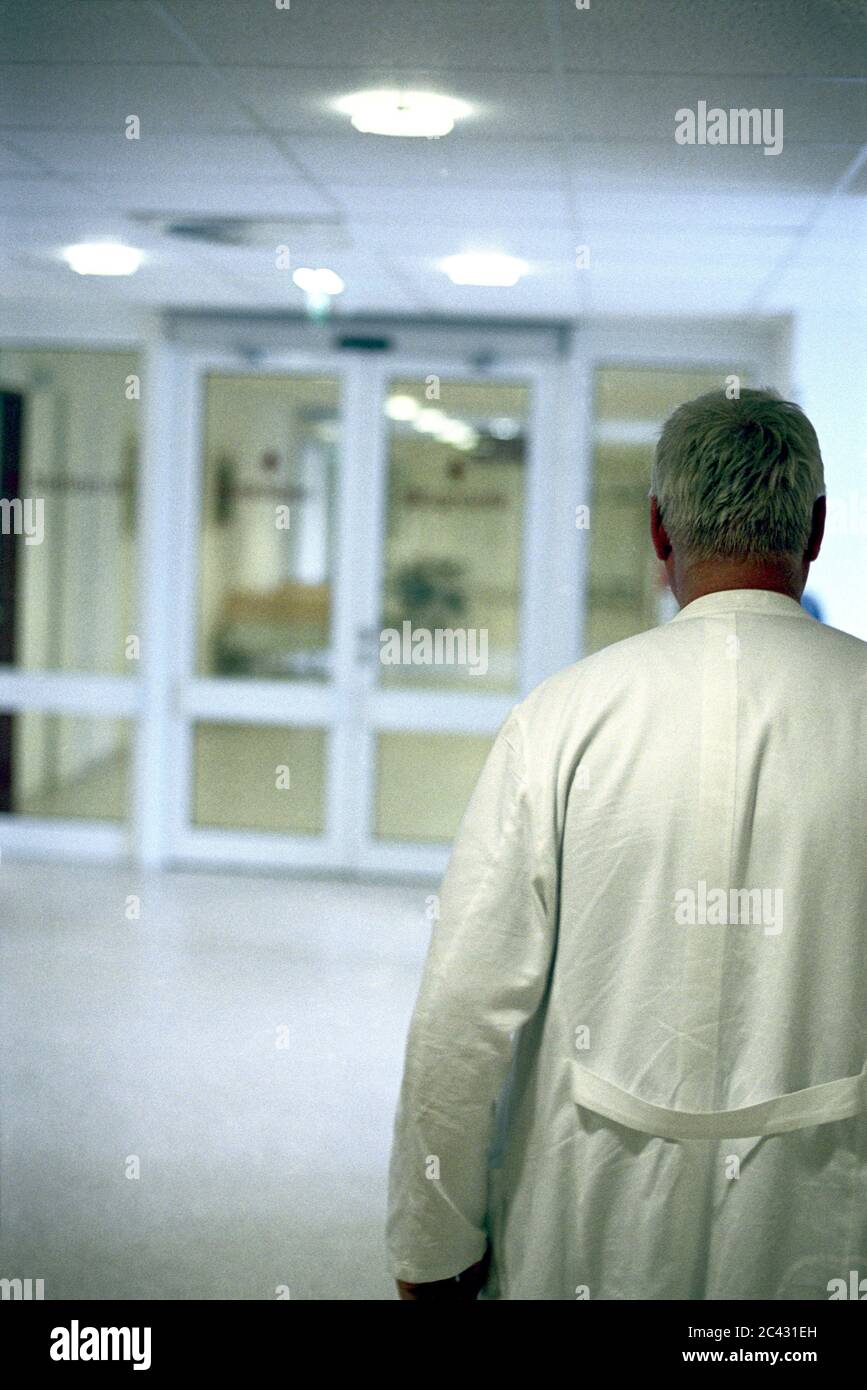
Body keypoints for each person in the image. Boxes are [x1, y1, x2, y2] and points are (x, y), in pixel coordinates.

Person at [386, 388, 866, 1300]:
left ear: (656, 532)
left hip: (588, 1228)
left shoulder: (562, 720)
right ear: (814, 527)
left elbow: (462, 1010)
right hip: (824, 1239)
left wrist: (432, 1244)